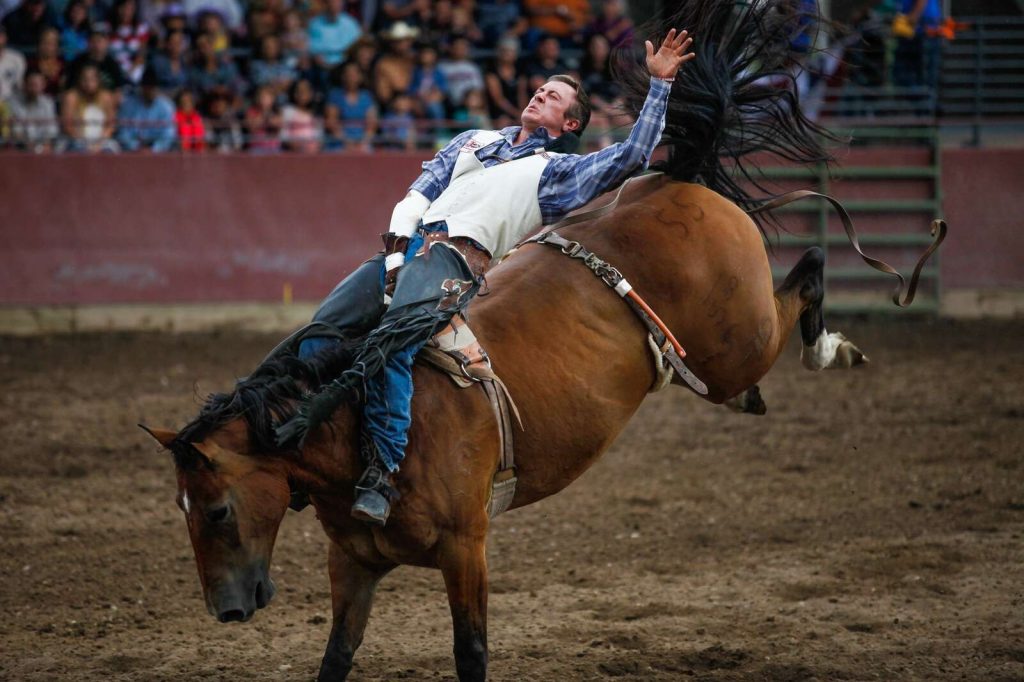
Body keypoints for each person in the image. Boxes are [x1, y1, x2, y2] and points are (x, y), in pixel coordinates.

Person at [303, 28, 695, 526]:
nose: (540, 94)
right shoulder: (474, 141)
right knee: (316, 337)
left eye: (554, 97)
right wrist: (398, 258)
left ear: (568, 122)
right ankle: (308, 444)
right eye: (541, 89)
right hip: (404, 253)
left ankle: (382, 470)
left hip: (456, 265)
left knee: (392, 345)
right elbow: (416, 197)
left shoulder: (557, 172)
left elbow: (631, 156)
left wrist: (659, 85)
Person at [117, 65, 175, 151]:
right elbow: (123, 132)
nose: (151, 91)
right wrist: (136, 147)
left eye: (153, 87)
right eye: (148, 87)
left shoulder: (166, 106)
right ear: (142, 87)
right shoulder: (128, 105)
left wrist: (154, 149)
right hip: (132, 150)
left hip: (159, 152)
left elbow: (168, 134)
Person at [6, 68, 58, 150]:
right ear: (24, 85)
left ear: (43, 85)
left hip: (44, 148)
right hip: (20, 148)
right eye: (31, 85)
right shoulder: (12, 103)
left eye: (37, 85)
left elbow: (51, 132)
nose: (34, 89)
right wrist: (32, 148)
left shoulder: (48, 103)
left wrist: (43, 148)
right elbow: (17, 133)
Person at [307, 0, 360, 69]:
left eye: (338, 2)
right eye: (333, 2)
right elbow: (311, 45)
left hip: (346, 63)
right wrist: (316, 55)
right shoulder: (315, 24)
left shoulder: (351, 23)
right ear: (326, 4)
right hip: (322, 64)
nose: (336, 5)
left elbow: (357, 44)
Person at [0, 24, 26, 100]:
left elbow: (20, 85)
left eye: (0, 35)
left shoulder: (16, 58)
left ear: (5, 38)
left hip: (12, 102)